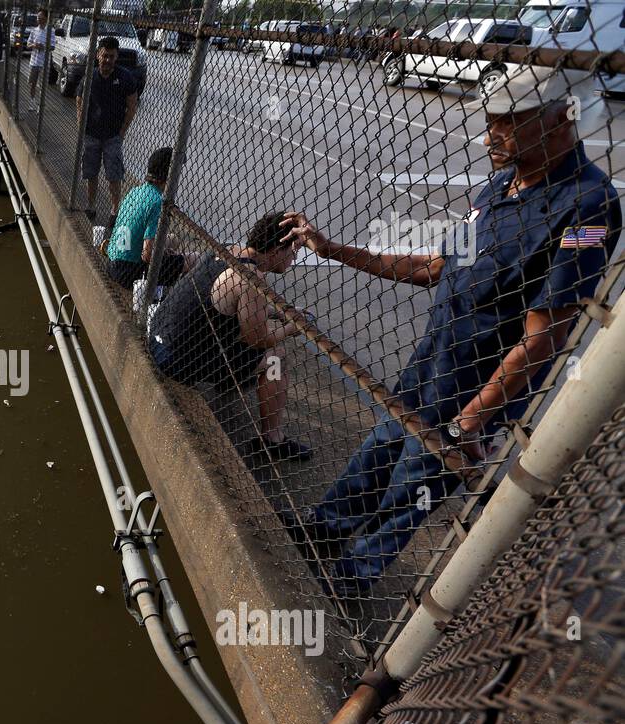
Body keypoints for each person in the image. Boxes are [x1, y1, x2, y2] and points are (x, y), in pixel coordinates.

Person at [281, 66, 622, 596]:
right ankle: (326, 530)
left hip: (478, 385)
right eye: (490, 122)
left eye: (507, 123)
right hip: (433, 359)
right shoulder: (499, 184)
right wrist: (336, 251)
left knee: (417, 481)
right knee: (382, 444)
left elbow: (544, 337)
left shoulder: (587, 204)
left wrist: (470, 423)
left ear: (560, 119)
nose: (490, 136)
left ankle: (353, 575)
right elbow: (438, 266)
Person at [147, 211, 313, 462]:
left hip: (159, 337)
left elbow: (242, 307)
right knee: (275, 358)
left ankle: (228, 379)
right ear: (278, 251)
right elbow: (258, 340)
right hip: (177, 361)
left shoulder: (228, 250)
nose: (294, 258)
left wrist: (282, 313)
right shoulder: (251, 279)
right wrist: (294, 326)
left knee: (233, 328)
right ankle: (272, 440)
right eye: (293, 252)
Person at [76, 35, 138, 221]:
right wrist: (81, 123)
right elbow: (79, 99)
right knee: (91, 172)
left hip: (113, 136)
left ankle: (115, 210)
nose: (108, 60)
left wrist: (122, 131)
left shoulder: (125, 77)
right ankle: (91, 205)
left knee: (114, 174)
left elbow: (132, 104)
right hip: (92, 135)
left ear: (116, 57)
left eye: (112, 56)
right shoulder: (91, 77)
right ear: (98, 55)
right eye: (105, 56)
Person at [103, 146, 179, 294]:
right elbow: (147, 255)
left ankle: (161, 289)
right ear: (170, 176)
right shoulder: (158, 202)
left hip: (112, 263)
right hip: (129, 272)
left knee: (173, 240)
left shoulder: (136, 191)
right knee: (189, 260)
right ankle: (163, 297)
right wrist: (162, 254)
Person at [26, 9, 54, 100]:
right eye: (38, 17)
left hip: (44, 64)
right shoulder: (34, 30)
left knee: (42, 86)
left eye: (40, 17)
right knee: (32, 84)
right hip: (34, 62)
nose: (38, 19)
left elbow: (53, 47)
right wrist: (34, 45)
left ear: (46, 18)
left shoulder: (51, 31)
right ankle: (32, 102)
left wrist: (44, 47)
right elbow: (28, 44)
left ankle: (40, 105)